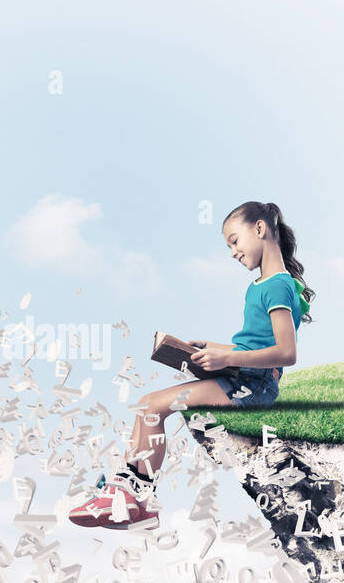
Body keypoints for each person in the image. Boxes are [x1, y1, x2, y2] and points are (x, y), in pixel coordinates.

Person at [68, 200, 314, 529]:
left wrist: (227, 358)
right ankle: (137, 497)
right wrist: (213, 348)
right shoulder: (264, 285)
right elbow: (258, 344)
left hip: (253, 385)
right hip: (243, 375)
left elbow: (286, 353)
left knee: (151, 406)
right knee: (147, 407)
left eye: (234, 241)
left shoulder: (277, 284)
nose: (233, 253)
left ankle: (136, 498)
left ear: (260, 229)